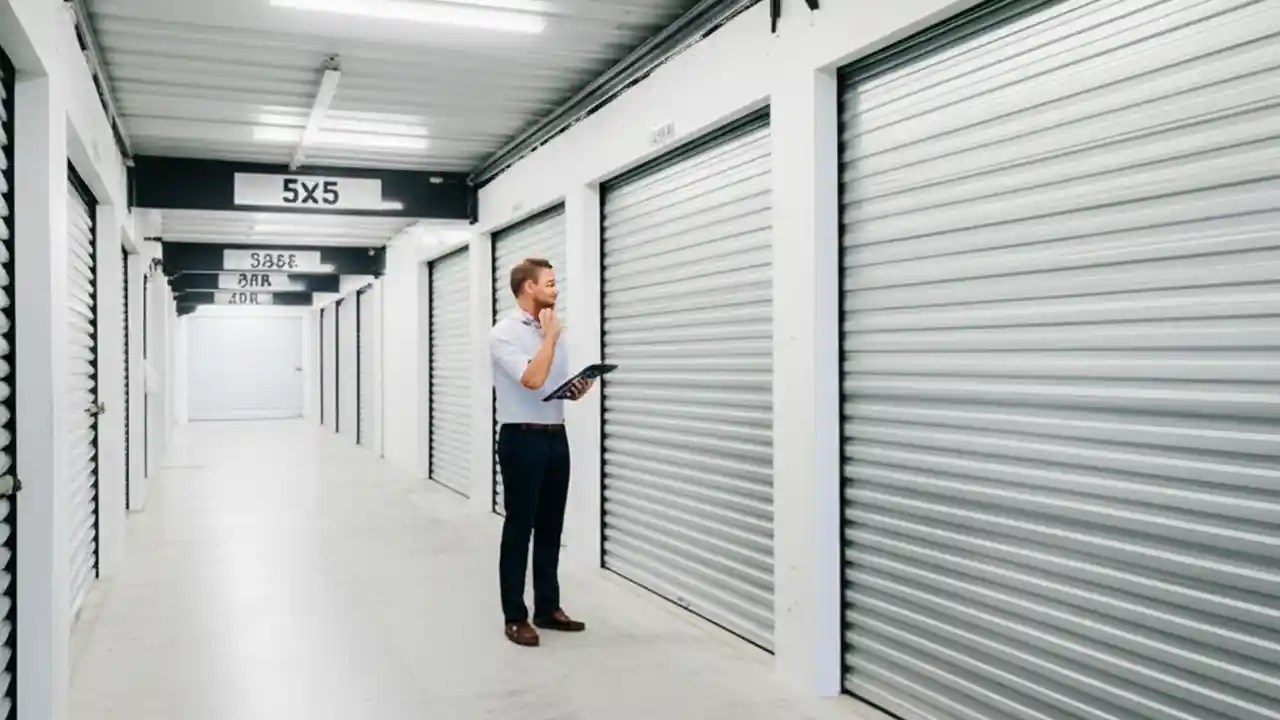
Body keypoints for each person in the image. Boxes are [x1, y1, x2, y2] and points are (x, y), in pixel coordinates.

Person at [490, 257, 594, 647]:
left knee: (551, 526)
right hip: (521, 438)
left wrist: (576, 388)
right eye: (549, 283)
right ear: (528, 287)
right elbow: (532, 379)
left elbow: (551, 383)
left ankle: (547, 607)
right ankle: (515, 616)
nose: (555, 289)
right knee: (520, 527)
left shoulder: (551, 331)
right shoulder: (504, 333)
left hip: (555, 435)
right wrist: (549, 339)